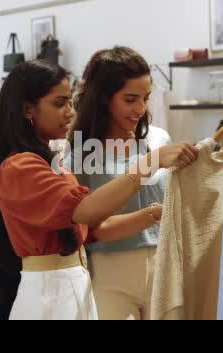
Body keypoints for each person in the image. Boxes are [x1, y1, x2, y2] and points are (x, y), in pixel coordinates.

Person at [0, 60, 198, 320]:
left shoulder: (52, 162)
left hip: (75, 282)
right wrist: (150, 164)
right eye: (59, 103)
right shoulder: (21, 166)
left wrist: (154, 214)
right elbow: (85, 211)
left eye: (69, 103)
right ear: (28, 109)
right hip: (53, 292)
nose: (68, 112)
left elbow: (92, 229)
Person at [70, 46, 180, 320]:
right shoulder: (80, 154)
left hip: (164, 264)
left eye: (145, 98)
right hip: (108, 272)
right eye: (130, 99)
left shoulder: (159, 140)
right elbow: (93, 229)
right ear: (104, 97)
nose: (141, 109)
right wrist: (154, 214)